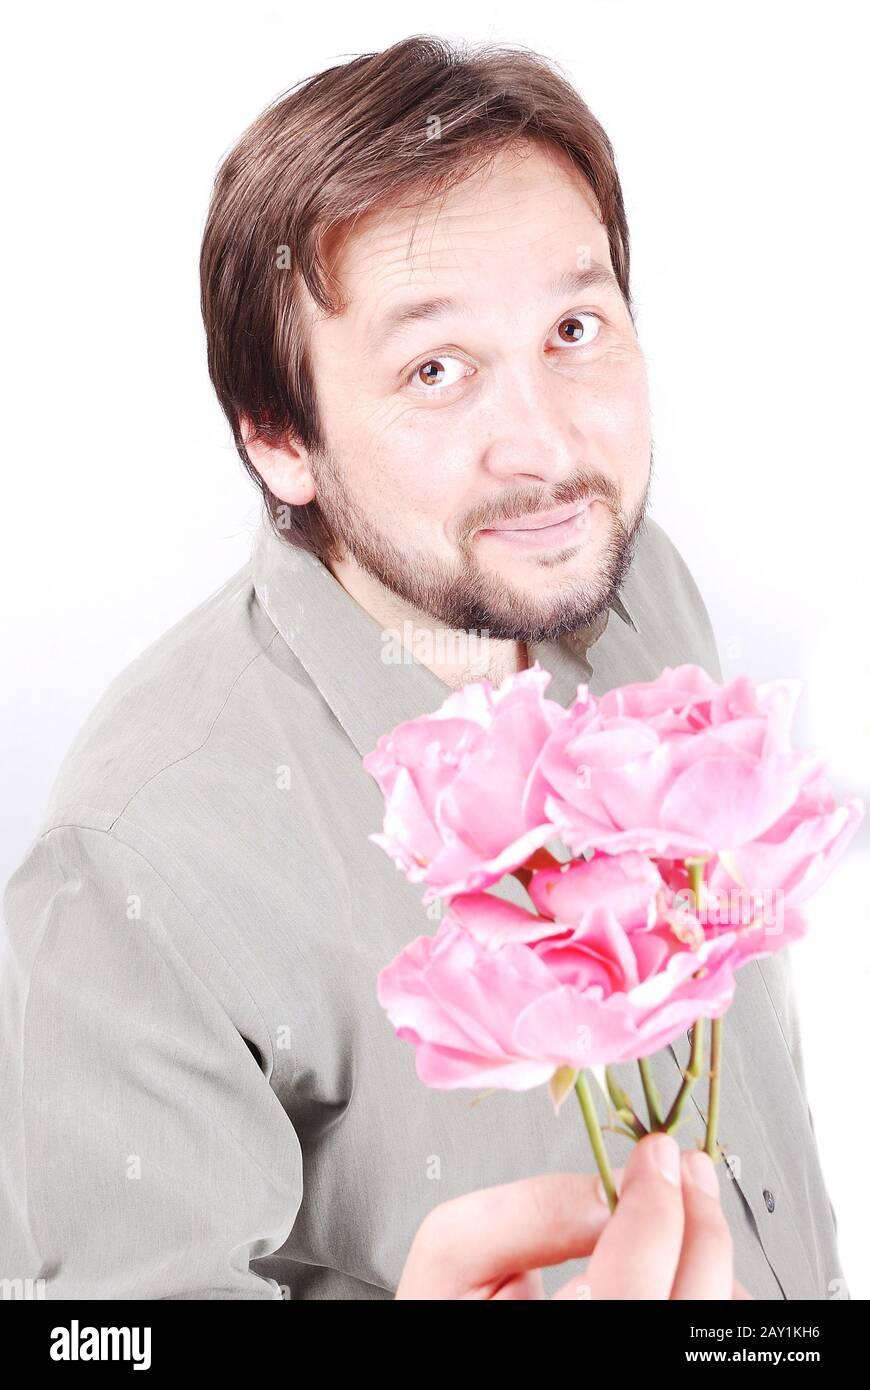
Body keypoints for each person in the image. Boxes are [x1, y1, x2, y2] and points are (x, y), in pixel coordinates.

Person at [0, 35, 844, 1300]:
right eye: (435, 369)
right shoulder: (132, 863)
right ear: (281, 439)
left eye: (574, 325)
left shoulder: (632, 581)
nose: (548, 446)